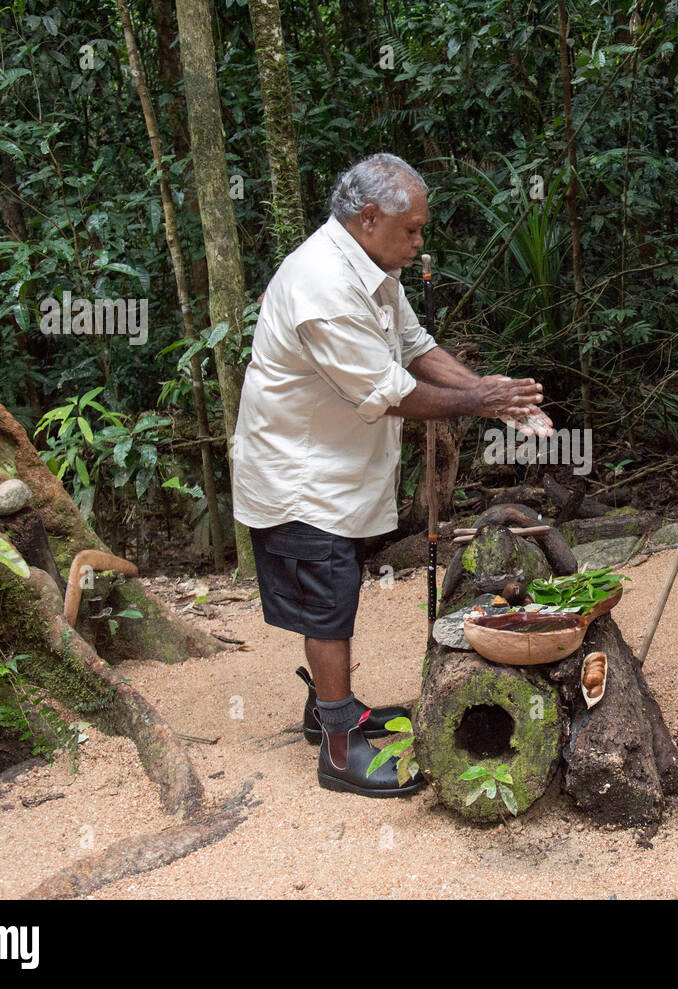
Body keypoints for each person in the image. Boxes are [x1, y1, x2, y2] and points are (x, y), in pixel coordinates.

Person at [232, 153, 550, 796]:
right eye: (411, 230)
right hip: (301, 475)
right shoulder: (322, 283)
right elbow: (390, 391)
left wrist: (496, 395)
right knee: (328, 605)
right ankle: (337, 748)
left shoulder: (373, 268)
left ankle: (329, 707)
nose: (419, 242)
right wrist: (483, 401)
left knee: (333, 591)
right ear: (369, 218)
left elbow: (416, 347)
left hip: (335, 468)